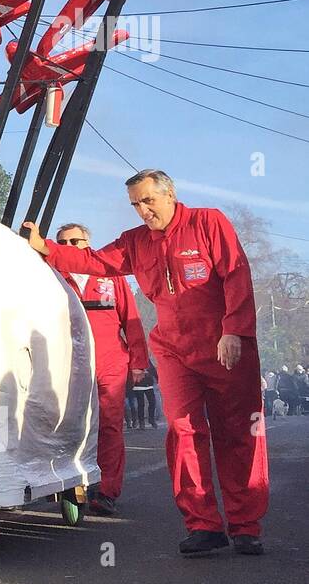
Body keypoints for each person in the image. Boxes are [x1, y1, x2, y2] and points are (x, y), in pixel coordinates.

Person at [24, 168, 268, 556]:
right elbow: (97, 262)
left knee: (236, 433)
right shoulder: (135, 242)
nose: (142, 211)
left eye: (148, 201)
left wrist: (233, 330)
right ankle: (203, 524)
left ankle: (244, 525)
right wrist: (48, 248)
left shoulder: (209, 223)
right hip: (174, 351)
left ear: (170, 194)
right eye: (136, 204)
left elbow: (236, 273)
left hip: (226, 345)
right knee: (183, 432)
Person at [52, 223, 148, 516]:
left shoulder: (111, 275)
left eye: (76, 241)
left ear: (88, 243)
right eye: (63, 242)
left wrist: (139, 362)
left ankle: (106, 491)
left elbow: (131, 319)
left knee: (108, 426)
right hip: (67, 364)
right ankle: (70, 483)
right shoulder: (52, 274)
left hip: (110, 364)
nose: (69, 246)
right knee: (70, 426)